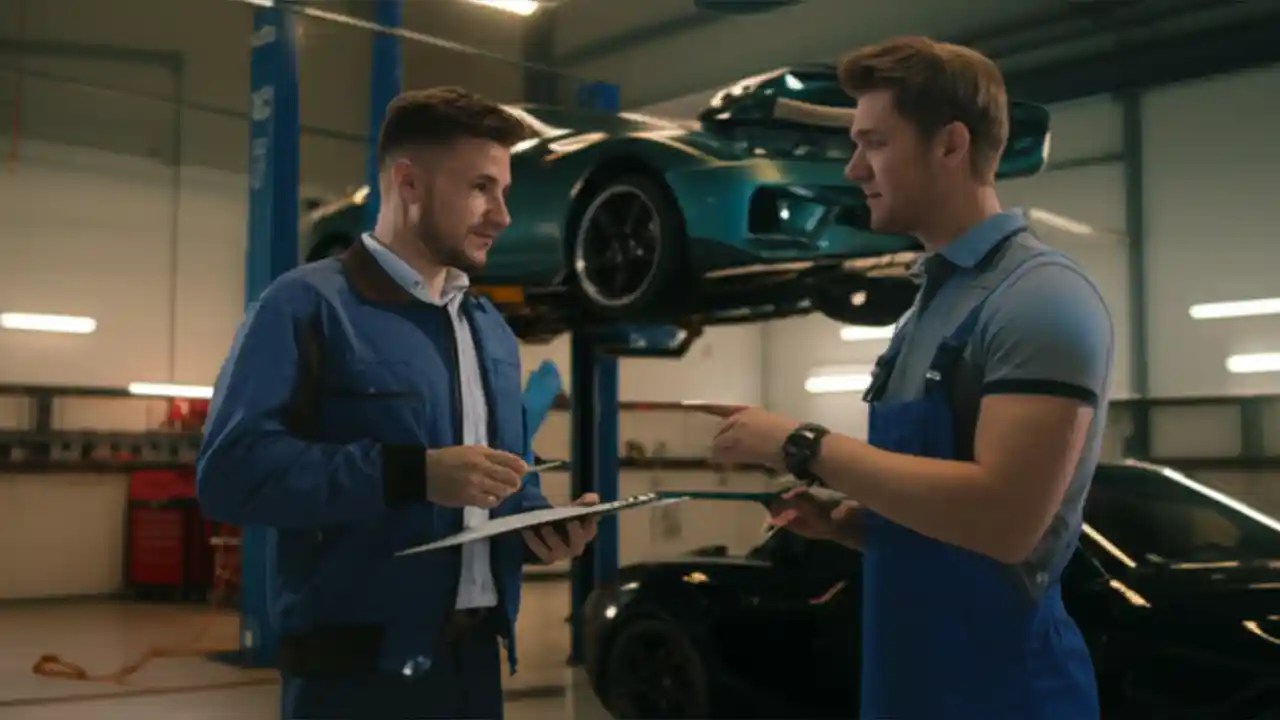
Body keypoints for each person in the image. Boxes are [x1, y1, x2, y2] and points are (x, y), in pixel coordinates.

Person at [709, 36, 1112, 720]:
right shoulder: (931, 303)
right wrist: (855, 525)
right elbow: (950, 515)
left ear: (951, 145)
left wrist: (803, 445)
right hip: (911, 686)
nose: (853, 168)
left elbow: (1006, 521)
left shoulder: (1039, 297)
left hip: (1005, 696)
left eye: (875, 143)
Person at [196, 86, 599, 720]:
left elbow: (498, 481)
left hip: (474, 670)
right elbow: (231, 474)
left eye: (504, 192)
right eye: (481, 188)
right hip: (355, 683)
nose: (501, 216)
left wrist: (534, 525)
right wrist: (411, 473)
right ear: (409, 183)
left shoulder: (488, 329)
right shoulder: (306, 306)